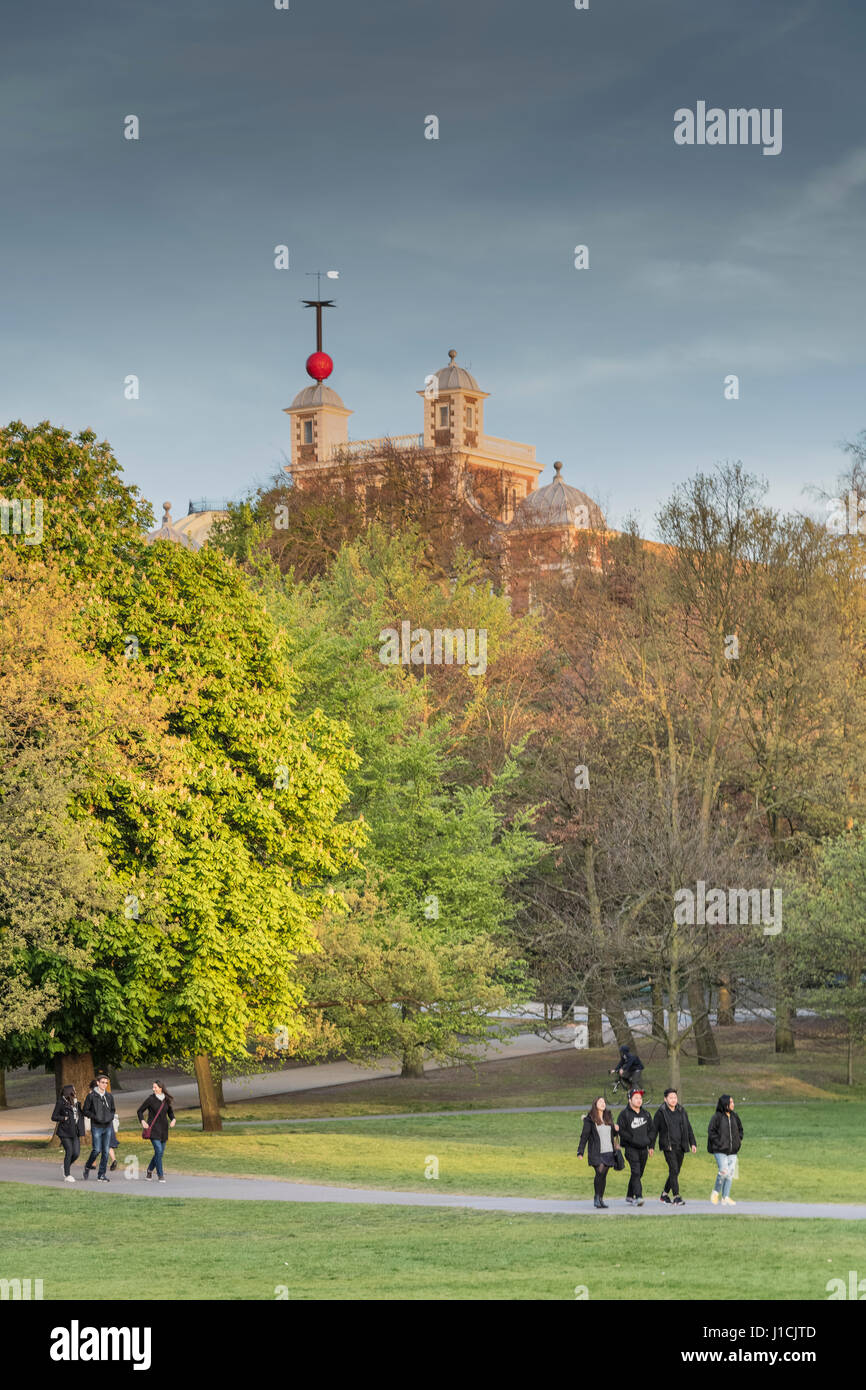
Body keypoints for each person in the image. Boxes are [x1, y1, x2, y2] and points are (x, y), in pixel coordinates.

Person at [652, 1088, 697, 1206]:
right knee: (674, 1170)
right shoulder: (661, 1112)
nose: (673, 1100)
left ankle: (664, 1194)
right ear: (665, 1099)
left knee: (675, 1171)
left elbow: (688, 1127)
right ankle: (676, 1197)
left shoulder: (681, 1110)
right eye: (671, 1097)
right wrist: (651, 1146)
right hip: (668, 1146)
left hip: (681, 1146)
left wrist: (693, 1142)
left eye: (675, 1097)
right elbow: (654, 1130)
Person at [576, 1095, 621, 1209]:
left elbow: (611, 1135)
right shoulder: (590, 1119)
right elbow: (584, 1136)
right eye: (600, 1101)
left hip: (609, 1151)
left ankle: (601, 1199)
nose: (603, 1103)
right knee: (599, 1172)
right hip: (596, 1152)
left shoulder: (608, 1117)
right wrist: (580, 1151)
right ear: (595, 1104)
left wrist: (615, 1130)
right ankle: (596, 1197)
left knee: (604, 1176)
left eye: (604, 1102)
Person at [616, 1087, 654, 1205]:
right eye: (636, 1098)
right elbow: (621, 1130)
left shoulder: (646, 1114)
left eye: (640, 1098)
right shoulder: (624, 1114)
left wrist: (650, 1145)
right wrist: (632, 1139)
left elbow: (652, 1130)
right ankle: (639, 1197)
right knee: (636, 1171)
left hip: (643, 1148)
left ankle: (629, 1195)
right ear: (630, 1100)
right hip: (631, 1148)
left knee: (639, 1173)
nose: (639, 1100)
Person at [137, 1081, 176, 1183]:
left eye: (155, 1087)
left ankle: (149, 1170)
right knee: (158, 1151)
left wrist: (173, 1119)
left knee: (160, 1153)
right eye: (153, 1087)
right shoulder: (151, 1099)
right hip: (153, 1129)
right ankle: (160, 1174)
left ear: (161, 1088)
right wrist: (142, 1121)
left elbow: (170, 1112)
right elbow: (140, 1111)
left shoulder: (166, 1100)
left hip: (164, 1129)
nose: (153, 1089)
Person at [708, 1094, 743, 1207]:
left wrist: (738, 1140)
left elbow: (740, 1130)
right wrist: (719, 1143)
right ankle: (715, 1192)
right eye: (731, 1102)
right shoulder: (717, 1117)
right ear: (725, 1104)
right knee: (723, 1171)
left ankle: (725, 1197)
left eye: (733, 1102)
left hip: (732, 1151)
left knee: (730, 1174)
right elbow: (711, 1132)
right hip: (720, 1150)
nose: (733, 1104)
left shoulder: (735, 1116)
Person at [82, 1074, 117, 1182]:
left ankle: (101, 1175)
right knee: (97, 1150)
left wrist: (110, 1117)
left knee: (106, 1151)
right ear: (97, 1083)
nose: (105, 1084)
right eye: (102, 1082)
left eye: (106, 1083)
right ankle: (88, 1166)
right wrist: (95, 1117)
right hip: (96, 1126)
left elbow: (113, 1109)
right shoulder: (91, 1096)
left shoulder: (109, 1096)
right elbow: (85, 1110)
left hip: (107, 1126)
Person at [51, 1084, 86, 1182]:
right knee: (69, 1151)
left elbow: (81, 1115)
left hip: (75, 1132)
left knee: (76, 1153)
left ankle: (65, 1166)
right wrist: (64, 1118)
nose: (75, 1092)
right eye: (74, 1090)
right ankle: (67, 1175)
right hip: (64, 1132)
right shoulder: (60, 1102)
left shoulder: (76, 1103)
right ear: (69, 1092)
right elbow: (53, 1117)